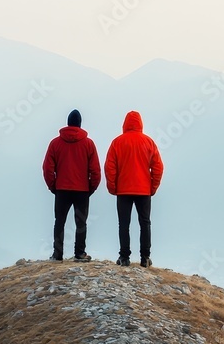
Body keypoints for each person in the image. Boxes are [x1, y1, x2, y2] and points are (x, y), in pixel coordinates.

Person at [105, 110, 164, 268]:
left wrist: (113, 187)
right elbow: (158, 167)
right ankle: (145, 257)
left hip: (123, 190)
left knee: (124, 224)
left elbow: (110, 167)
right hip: (143, 190)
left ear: (125, 124)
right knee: (145, 223)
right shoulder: (148, 142)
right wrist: (153, 187)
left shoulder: (117, 142)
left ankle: (124, 257)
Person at [43, 109, 101, 262]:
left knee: (59, 221)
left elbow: (47, 168)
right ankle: (80, 253)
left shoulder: (55, 143)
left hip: (61, 189)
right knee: (81, 222)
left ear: (68, 123)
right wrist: (91, 188)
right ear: (80, 124)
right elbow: (95, 170)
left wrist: (53, 186)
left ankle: (57, 254)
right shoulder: (88, 144)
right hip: (82, 190)